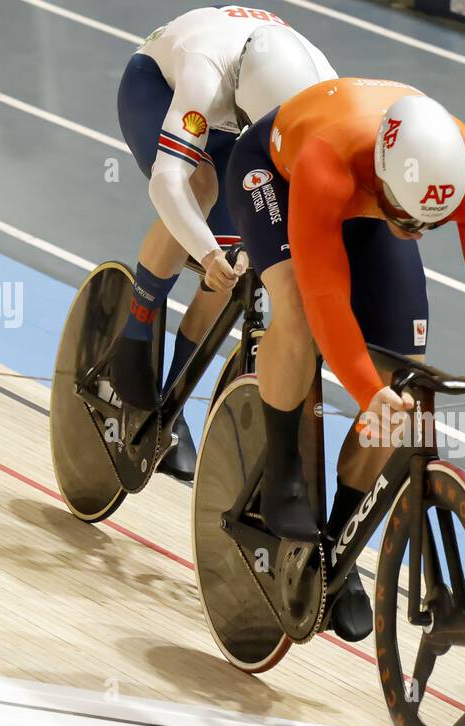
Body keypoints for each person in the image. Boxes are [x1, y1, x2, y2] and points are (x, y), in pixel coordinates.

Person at [226, 78, 465, 642]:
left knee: (402, 376)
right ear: (384, 177)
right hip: (277, 174)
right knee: (298, 309)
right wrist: (366, 391)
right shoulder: (328, 161)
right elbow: (327, 297)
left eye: (427, 225)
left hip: (369, 196)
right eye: (407, 220)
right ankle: (283, 470)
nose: (416, 234)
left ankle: (335, 548)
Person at [111, 7, 334, 480]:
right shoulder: (204, 70)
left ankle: (174, 400)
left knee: (242, 250)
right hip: (158, 89)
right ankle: (136, 331)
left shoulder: (321, 83)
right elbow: (167, 182)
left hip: (249, 127)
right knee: (200, 187)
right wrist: (207, 253)